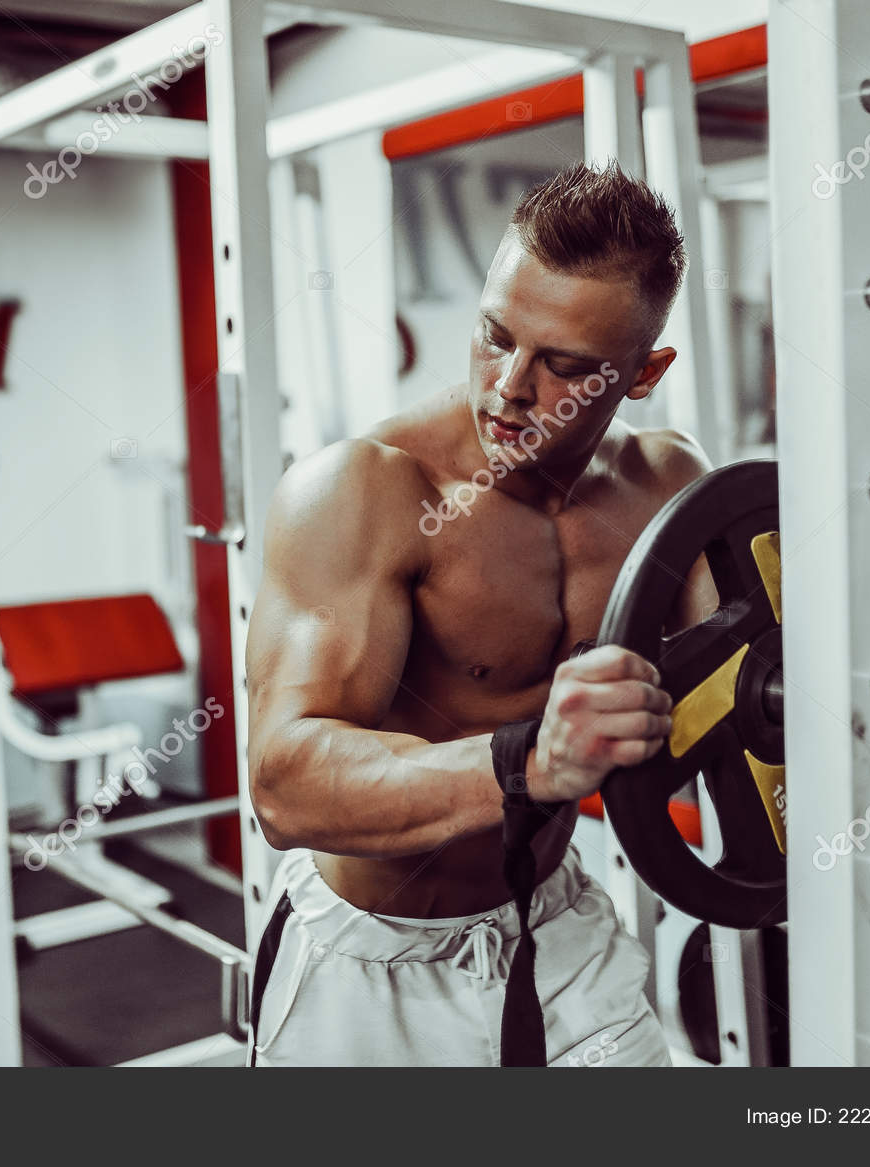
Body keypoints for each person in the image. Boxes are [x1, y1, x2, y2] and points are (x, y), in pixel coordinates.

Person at [244, 162, 715, 1066]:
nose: (508, 386)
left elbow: (755, 700)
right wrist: (526, 761)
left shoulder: (664, 487)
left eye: (563, 367)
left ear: (644, 373)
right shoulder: (364, 490)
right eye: (494, 337)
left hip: (553, 925)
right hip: (366, 961)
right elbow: (283, 781)